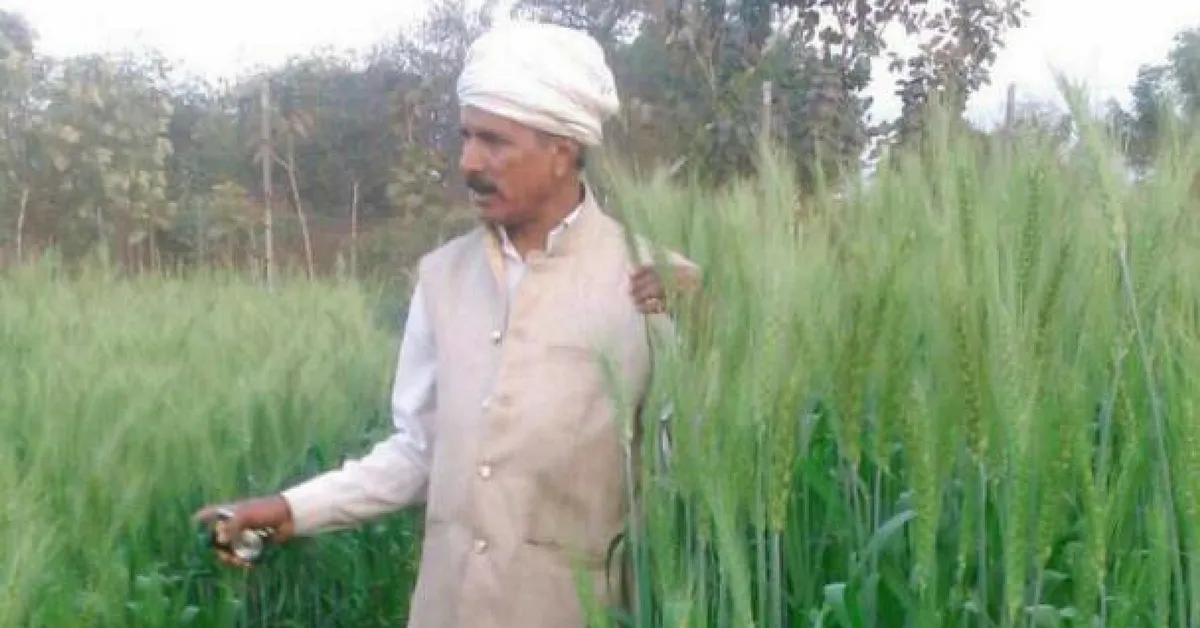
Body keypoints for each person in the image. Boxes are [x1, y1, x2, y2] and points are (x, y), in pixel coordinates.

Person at [194, 20, 700, 628]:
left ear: (563, 150)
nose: (468, 162)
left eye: (493, 142)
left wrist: (712, 331)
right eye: (465, 138)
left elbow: (692, 468)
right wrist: (291, 508)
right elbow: (419, 450)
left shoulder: (654, 285)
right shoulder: (442, 278)